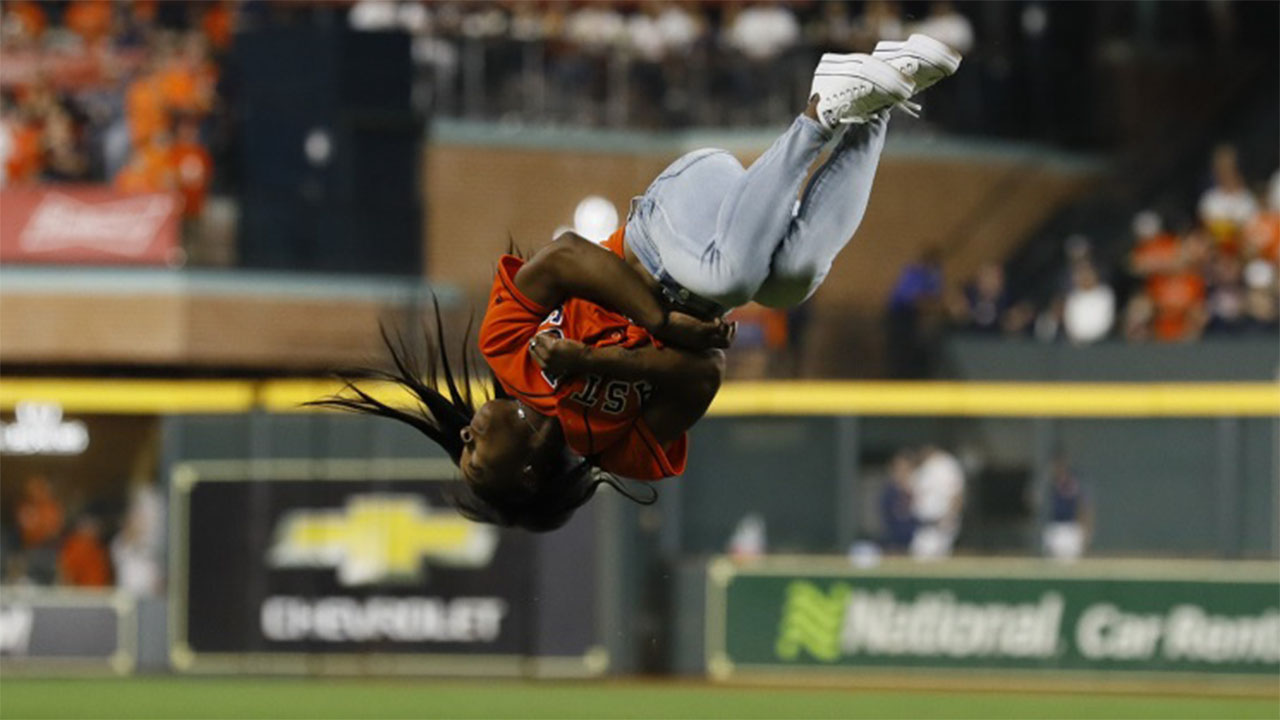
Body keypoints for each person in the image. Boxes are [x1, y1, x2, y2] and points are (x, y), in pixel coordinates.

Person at [316, 36, 962, 532]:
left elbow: (568, 256)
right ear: (531, 473)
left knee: (731, 273)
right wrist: (595, 358)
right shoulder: (628, 454)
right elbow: (704, 376)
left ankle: (820, 111)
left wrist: (655, 325)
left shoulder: (505, 350)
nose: (466, 437)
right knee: (789, 283)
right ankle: (879, 97)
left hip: (672, 214)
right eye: (478, 461)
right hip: (730, 243)